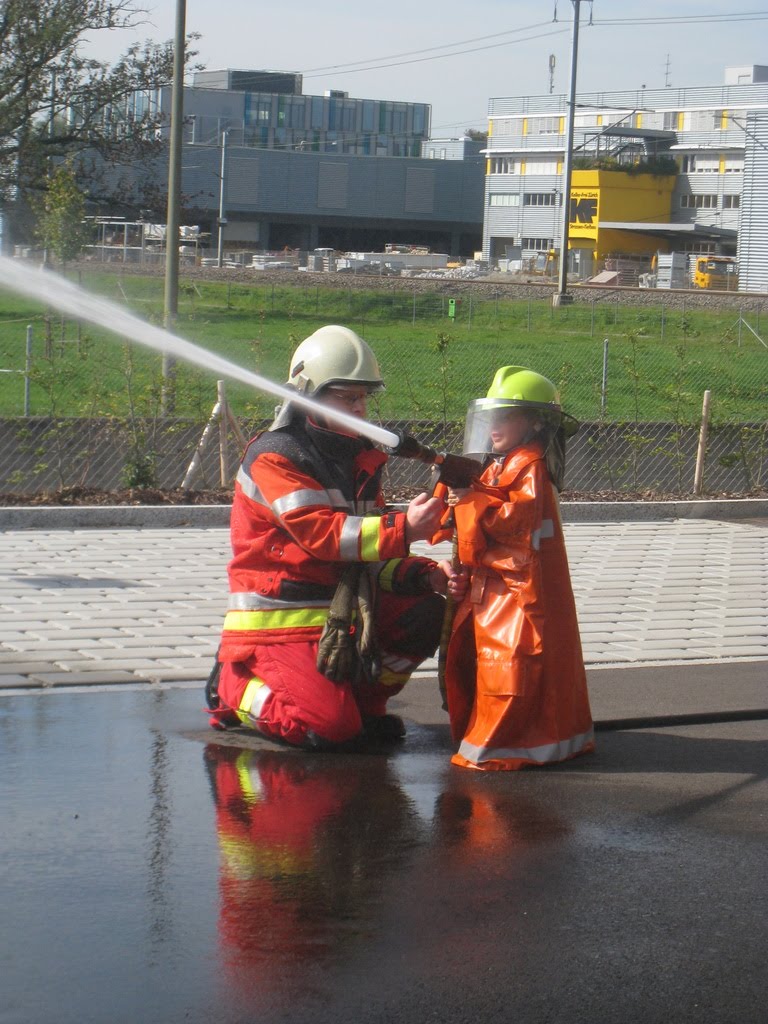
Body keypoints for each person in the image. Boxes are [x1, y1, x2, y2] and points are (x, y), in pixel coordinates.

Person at [207, 324, 466, 749]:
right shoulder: (277, 456)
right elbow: (324, 536)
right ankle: (233, 689)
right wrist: (405, 528)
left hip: (336, 611)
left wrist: (425, 575)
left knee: (424, 613)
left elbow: (366, 552)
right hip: (279, 622)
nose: (361, 408)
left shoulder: (360, 460)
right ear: (309, 395)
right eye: (347, 397)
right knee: (326, 728)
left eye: (364, 396)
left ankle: (366, 704)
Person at [440, 365, 594, 771]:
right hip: (503, 592)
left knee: (509, 671)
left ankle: (501, 748)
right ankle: (505, 740)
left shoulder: (531, 469)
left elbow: (509, 523)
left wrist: (466, 501)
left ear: (535, 423)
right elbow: (484, 506)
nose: (494, 425)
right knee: (495, 667)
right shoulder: (504, 464)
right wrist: (454, 496)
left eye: (505, 415)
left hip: (520, 598)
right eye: (491, 415)